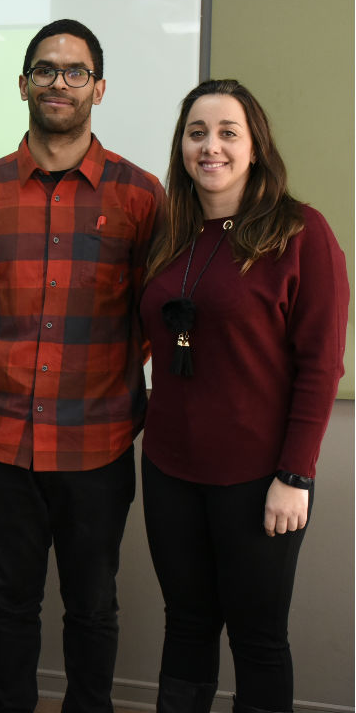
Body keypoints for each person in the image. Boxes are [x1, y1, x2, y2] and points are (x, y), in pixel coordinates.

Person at [0, 19, 162, 713]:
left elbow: (150, 315)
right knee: (9, 603)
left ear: (98, 87)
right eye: (45, 70)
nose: (59, 83)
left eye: (75, 72)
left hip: (97, 445)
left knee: (93, 607)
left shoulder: (141, 195)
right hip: (3, 442)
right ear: (23, 84)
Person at [140, 79, 348, 713]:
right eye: (197, 132)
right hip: (171, 470)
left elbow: (321, 367)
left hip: (261, 479)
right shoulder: (168, 233)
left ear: (255, 147)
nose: (211, 147)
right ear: (181, 146)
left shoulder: (300, 233)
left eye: (228, 133)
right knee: (186, 626)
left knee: (258, 640)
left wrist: (295, 474)